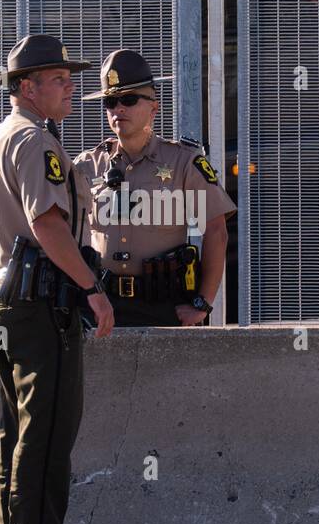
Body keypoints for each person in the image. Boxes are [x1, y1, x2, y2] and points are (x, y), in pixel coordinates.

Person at [0, 34, 114, 524]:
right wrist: (90, 289)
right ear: (27, 88)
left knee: (18, 429)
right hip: (37, 299)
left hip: (2, 293)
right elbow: (47, 224)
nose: (71, 86)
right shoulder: (35, 143)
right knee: (49, 427)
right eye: (58, 79)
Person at [72, 49, 236, 327]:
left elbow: (216, 231)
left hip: (163, 305)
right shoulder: (88, 165)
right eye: (110, 102)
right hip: (102, 305)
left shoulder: (184, 161)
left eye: (129, 99)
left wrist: (202, 303)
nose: (118, 109)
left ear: (154, 107)